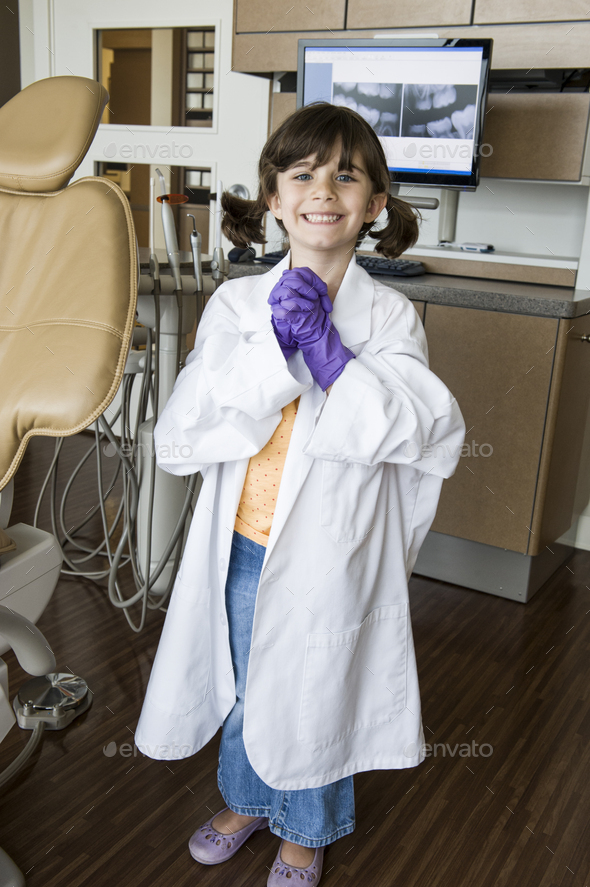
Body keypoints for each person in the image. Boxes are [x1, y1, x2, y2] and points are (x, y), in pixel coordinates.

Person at [134, 102, 466, 886]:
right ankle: (250, 801)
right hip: (244, 546)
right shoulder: (236, 307)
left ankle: (306, 829)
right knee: (251, 686)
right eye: (303, 173)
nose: (325, 188)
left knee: (320, 690)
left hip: (333, 553)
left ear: (375, 205)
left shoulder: (390, 317)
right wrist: (275, 355)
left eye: (347, 174)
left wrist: (331, 354)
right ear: (276, 199)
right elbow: (183, 432)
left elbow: (422, 430)